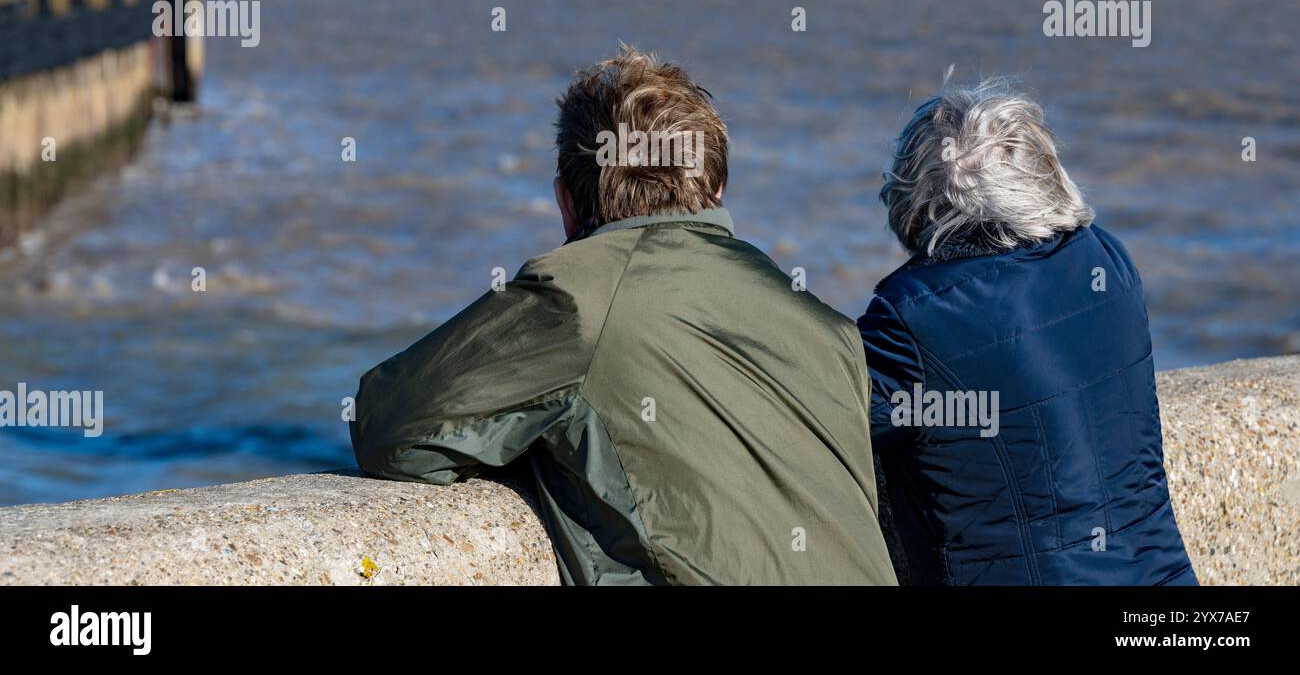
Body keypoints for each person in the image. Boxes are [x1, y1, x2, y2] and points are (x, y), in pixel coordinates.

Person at [351, 47, 897, 586]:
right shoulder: (832, 332)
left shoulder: (579, 299)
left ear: (565, 200)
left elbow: (389, 428)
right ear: (719, 188)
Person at [859, 78, 1196, 585]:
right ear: (1044, 174)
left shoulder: (913, 318)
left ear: (913, 197)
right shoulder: (1108, 264)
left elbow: (829, 413)